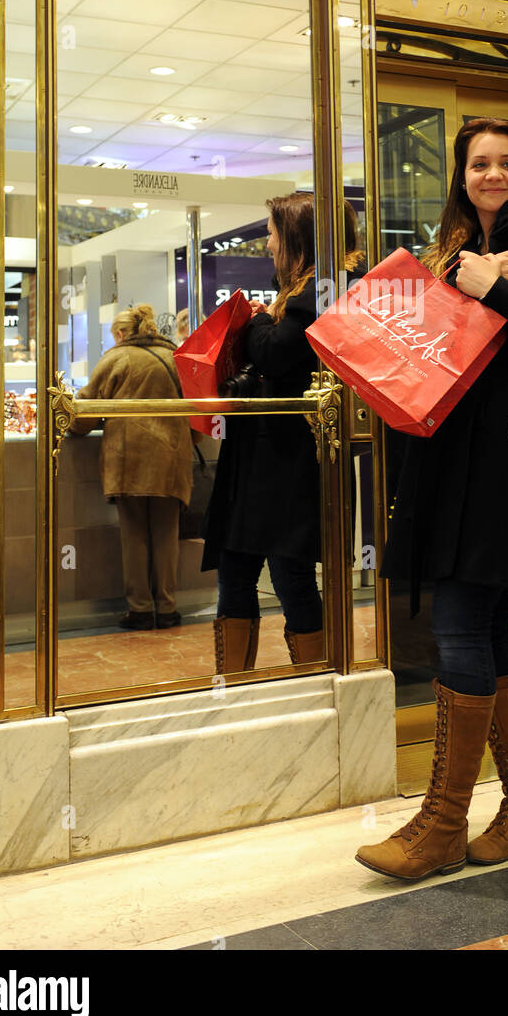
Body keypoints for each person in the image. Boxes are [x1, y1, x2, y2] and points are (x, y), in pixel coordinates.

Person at [356, 118, 508, 881]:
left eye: (505, 162)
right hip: (451, 464)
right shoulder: (453, 250)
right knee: (486, 625)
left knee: (460, 620)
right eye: (477, 163)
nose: (491, 174)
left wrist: (497, 291)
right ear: (460, 174)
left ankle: (441, 823)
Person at [201, 193, 364, 672]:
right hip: (262, 457)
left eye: (272, 232)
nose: (268, 243)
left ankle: (316, 683)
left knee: (289, 571)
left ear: (297, 235)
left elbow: (276, 354)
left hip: (288, 458)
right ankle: (234, 685)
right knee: (236, 568)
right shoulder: (307, 288)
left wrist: (250, 323)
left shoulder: (328, 287)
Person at [71, 303, 194, 630]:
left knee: (134, 535)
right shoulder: (175, 358)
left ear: (122, 333)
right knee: (167, 535)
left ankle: (140, 609)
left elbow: (85, 411)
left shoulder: (115, 359)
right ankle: (167, 609)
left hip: (129, 460)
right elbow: (197, 408)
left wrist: (70, 425)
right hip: (171, 458)